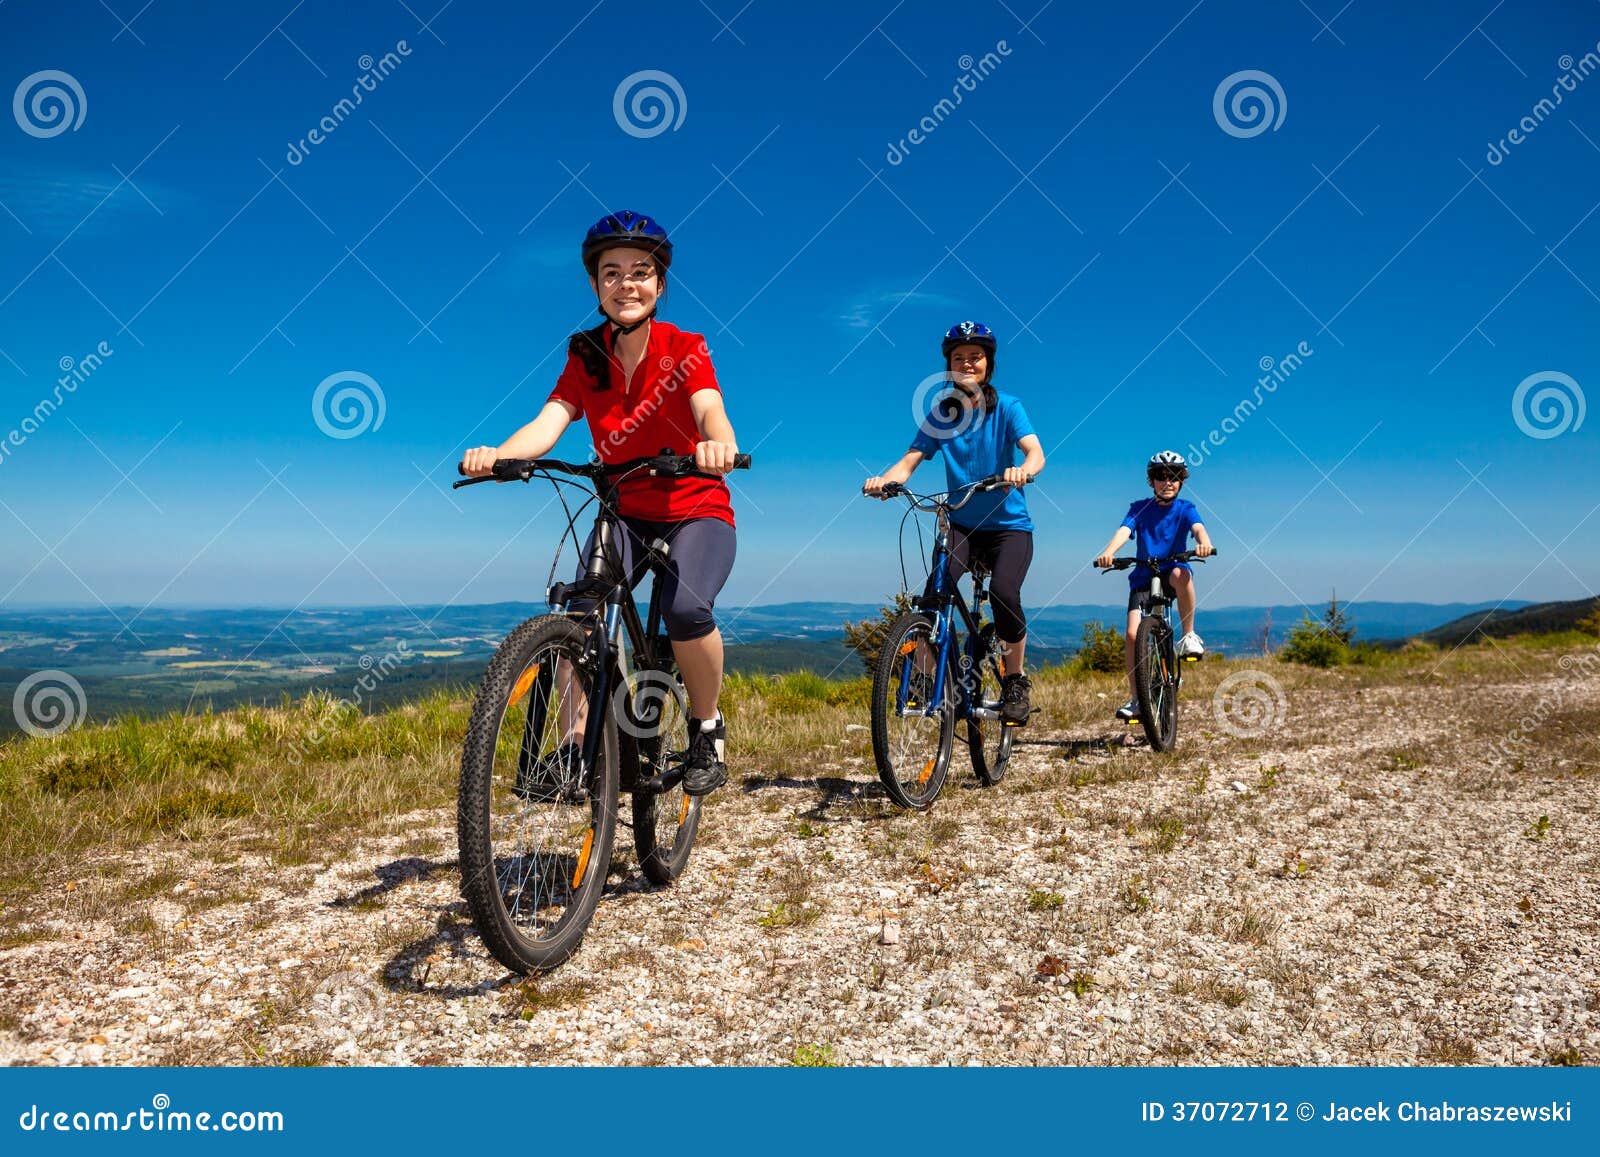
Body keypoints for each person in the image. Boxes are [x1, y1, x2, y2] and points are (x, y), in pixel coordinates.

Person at [460, 210, 740, 796]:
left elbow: (708, 405)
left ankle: (706, 725)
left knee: (687, 611)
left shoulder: (684, 346)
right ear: (595, 286)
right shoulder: (585, 353)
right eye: (611, 273)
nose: (626, 284)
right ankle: (572, 748)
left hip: (696, 503)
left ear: (660, 285)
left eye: (641, 272)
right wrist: (500, 455)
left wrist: (719, 444)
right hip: (622, 508)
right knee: (581, 617)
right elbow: (552, 418)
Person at [863, 321, 1045, 725]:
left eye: (975, 357)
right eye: (958, 358)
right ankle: (932, 683)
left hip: (1009, 527)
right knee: (932, 598)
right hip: (962, 524)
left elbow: (1035, 453)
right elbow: (909, 462)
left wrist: (1022, 471)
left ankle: (1014, 680)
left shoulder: (1009, 408)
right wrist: (885, 482)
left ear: (988, 364)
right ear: (948, 366)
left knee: (1003, 593)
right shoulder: (942, 415)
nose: (967, 363)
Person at [1093, 450, 1215, 721]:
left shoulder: (1185, 508)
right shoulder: (1139, 508)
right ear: (1152, 481)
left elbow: (1198, 528)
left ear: (1181, 481)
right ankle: (1137, 699)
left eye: (1174, 476)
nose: (1167, 482)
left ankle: (1189, 635)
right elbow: (1124, 531)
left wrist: (1203, 543)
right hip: (1144, 576)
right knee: (1133, 636)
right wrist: (1109, 552)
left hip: (1173, 569)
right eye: (1161, 476)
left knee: (1183, 576)